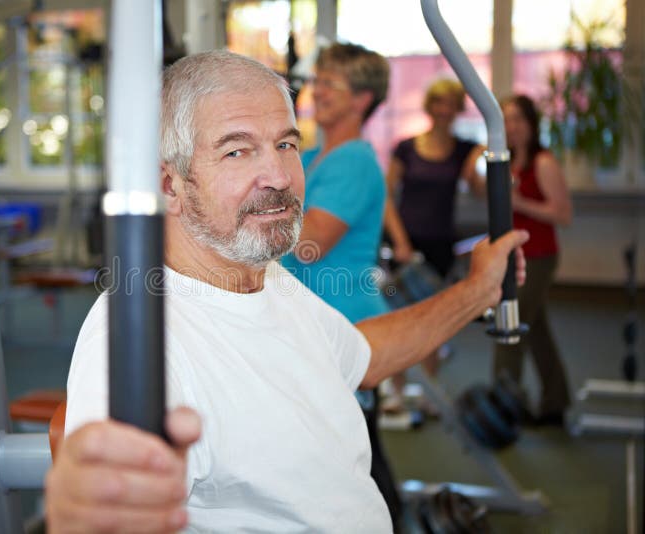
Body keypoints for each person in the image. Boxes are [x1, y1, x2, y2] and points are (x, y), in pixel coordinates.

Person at [45, 50, 527, 533]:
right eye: (237, 151)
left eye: (286, 145)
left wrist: (478, 290)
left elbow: (363, 355)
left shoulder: (265, 275)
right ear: (168, 184)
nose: (279, 177)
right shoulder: (137, 343)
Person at [280, 42, 405, 529]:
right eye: (319, 80)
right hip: (307, 321)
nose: (318, 90)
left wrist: (245, 223)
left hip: (344, 317)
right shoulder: (311, 154)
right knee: (337, 457)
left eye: (332, 83)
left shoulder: (354, 161)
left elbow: (308, 245)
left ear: (362, 98)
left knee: (359, 464)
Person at [382, 78, 486, 412]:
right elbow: (386, 194)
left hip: (441, 245)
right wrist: (399, 241)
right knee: (397, 318)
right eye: (438, 102)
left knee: (432, 320)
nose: (443, 110)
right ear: (430, 106)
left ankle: (428, 391)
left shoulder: (463, 149)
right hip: (404, 243)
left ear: (457, 109)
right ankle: (397, 392)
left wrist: (484, 153)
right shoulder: (406, 147)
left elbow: (480, 190)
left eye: (450, 103)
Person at [494, 94, 572, 425]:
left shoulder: (543, 162)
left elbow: (563, 214)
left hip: (538, 257)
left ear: (532, 124)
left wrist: (519, 202)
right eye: (506, 120)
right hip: (513, 256)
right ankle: (556, 402)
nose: (512, 127)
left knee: (509, 326)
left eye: (518, 120)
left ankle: (503, 408)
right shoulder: (506, 162)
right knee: (536, 330)